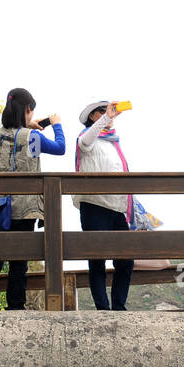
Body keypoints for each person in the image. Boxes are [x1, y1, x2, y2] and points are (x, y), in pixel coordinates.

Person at [0, 88, 65, 310]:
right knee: (19, 260)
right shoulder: (32, 136)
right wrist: (57, 124)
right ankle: (15, 305)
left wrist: (26, 126)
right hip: (24, 207)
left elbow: (15, 141)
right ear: (28, 109)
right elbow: (60, 148)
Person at [73, 100, 134, 310]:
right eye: (102, 111)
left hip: (117, 206)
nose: (109, 115)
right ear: (92, 116)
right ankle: (102, 308)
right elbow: (85, 141)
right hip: (94, 204)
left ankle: (118, 306)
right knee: (97, 260)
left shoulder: (113, 141)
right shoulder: (86, 138)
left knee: (125, 260)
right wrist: (107, 118)